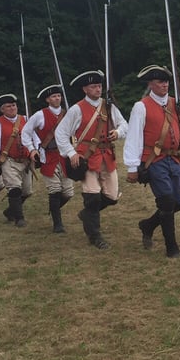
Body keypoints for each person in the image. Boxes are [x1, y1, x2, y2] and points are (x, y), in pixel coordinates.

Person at [124, 65, 180, 259]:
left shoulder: (174, 103)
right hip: (154, 160)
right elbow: (134, 137)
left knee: (177, 203)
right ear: (150, 84)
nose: (164, 85)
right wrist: (132, 167)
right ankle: (171, 248)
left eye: (166, 81)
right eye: (159, 82)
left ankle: (147, 225)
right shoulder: (141, 106)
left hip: (174, 158)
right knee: (166, 201)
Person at [55, 70, 127, 250]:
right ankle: (95, 236)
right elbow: (61, 133)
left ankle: (86, 214)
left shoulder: (109, 106)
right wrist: (71, 153)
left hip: (107, 157)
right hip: (87, 159)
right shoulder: (76, 109)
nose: (98, 89)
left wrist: (117, 132)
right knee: (93, 197)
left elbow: (124, 124)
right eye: (93, 86)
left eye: (99, 85)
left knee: (111, 196)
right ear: (85, 89)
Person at [23, 84, 74, 233]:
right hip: (49, 156)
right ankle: (58, 224)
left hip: (65, 156)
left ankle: (54, 210)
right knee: (55, 190)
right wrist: (32, 149)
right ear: (47, 99)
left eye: (58, 96)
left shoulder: (68, 113)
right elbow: (25, 132)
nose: (57, 98)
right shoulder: (40, 115)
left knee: (68, 193)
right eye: (53, 96)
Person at [0, 94, 33, 227]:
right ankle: (19, 218)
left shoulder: (25, 120)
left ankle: (10, 211)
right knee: (14, 188)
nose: (12, 108)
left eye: (13, 105)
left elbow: (34, 137)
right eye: (8, 106)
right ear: (2, 110)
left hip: (25, 161)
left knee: (27, 191)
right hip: (9, 160)